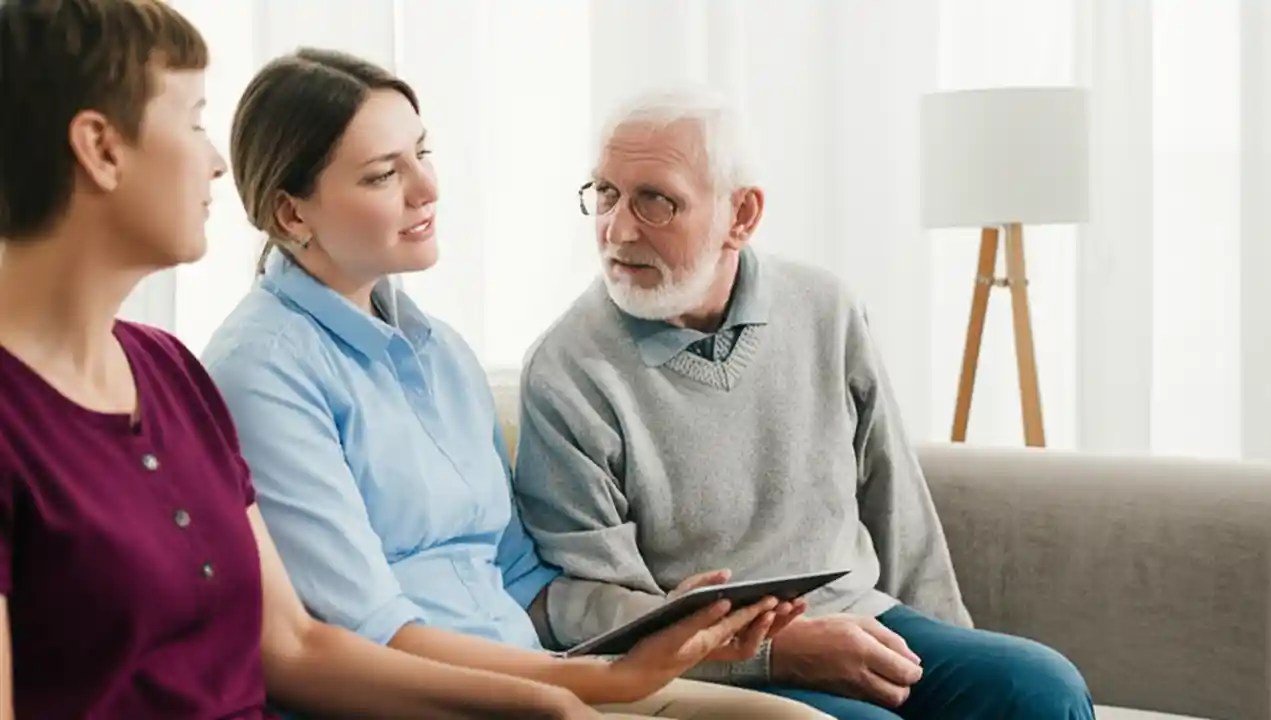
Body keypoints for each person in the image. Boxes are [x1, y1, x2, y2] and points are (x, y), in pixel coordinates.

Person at [0, 3, 758, 718]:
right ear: (100, 147)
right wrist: (557, 694)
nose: (218, 166)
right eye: (195, 122)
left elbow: (294, 644)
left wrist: (603, 669)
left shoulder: (171, 373)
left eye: (419, 155)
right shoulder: (247, 368)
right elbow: (351, 636)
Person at [200, 48, 830, 720]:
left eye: (423, 152)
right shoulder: (261, 373)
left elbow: (521, 580)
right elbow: (368, 635)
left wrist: (667, 624)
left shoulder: (441, 352)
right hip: (425, 697)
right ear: (293, 215)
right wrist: (596, 683)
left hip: (545, 676)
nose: (426, 188)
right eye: (385, 175)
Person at [511, 87, 1098, 720]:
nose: (618, 229)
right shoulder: (567, 369)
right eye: (604, 194)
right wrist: (772, 650)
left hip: (860, 614)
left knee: (1040, 684)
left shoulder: (826, 308)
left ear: (742, 215)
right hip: (713, 664)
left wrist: (948, 652)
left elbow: (895, 502)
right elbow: (585, 602)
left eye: (656, 200)